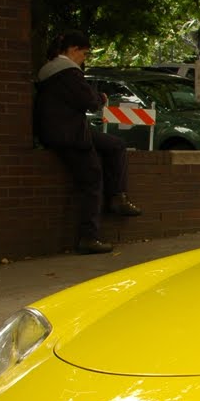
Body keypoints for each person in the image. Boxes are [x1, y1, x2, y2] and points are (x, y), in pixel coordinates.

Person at [35, 30, 142, 254]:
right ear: (73, 50)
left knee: (115, 145)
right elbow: (88, 101)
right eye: (84, 54)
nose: (84, 59)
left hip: (56, 130)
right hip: (72, 135)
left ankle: (118, 196)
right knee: (92, 180)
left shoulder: (48, 71)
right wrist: (101, 98)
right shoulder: (67, 72)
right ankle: (89, 237)